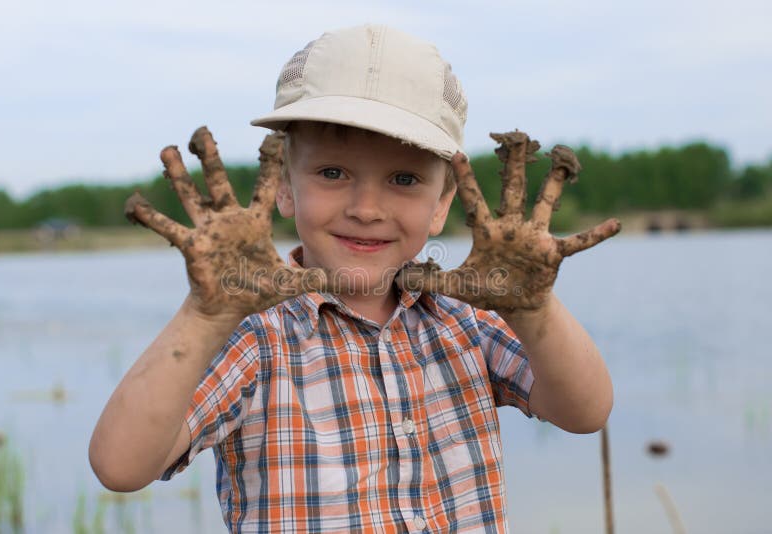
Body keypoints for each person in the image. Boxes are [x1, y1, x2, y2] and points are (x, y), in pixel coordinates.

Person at [89, 24, 620, 533]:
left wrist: (534, 309)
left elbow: (584, 411)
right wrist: (204, 314)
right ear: (284, 188)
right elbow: (121, 465)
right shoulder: (254, 335)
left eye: (404, 179)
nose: (366, 208)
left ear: (441, 206)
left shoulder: (467, 320)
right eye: (333, 173)